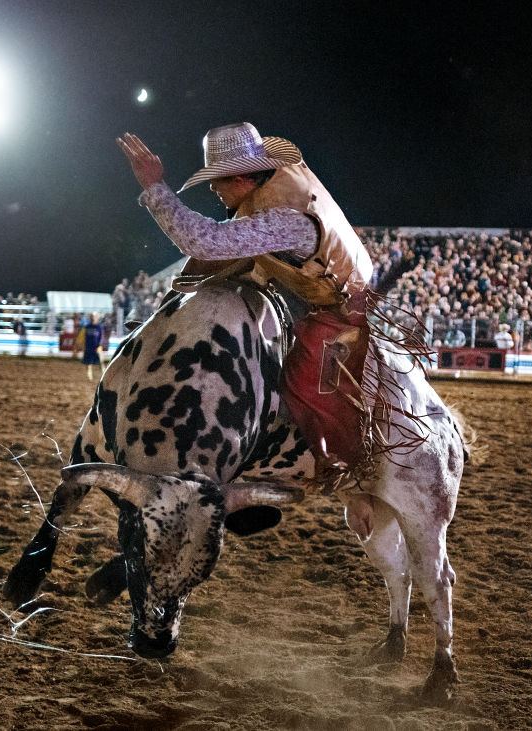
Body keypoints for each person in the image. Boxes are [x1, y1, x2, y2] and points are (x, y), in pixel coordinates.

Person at [118, 123, 405, 486]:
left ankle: (336, 456)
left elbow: (204, 241)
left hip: (337, 301)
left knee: (305, 380)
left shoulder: (286, 218)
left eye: (218, 180)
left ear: (241, 179)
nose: (212, 188)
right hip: (300, 277)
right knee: (215, 285)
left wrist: (154, 187)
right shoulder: (270, 190)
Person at [74, 313, 105, 380]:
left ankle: (104, 374)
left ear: (97, 318)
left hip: (97, 347)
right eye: (91, 317)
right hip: (88, 347)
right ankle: (89, 376)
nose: (92, 318)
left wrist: (99, 345)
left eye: (94, 317)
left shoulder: (99, 327)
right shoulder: (86, 327)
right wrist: (79, 346)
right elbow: (81, 337)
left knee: (101, 362)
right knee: (88, 363)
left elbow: (101, 337)